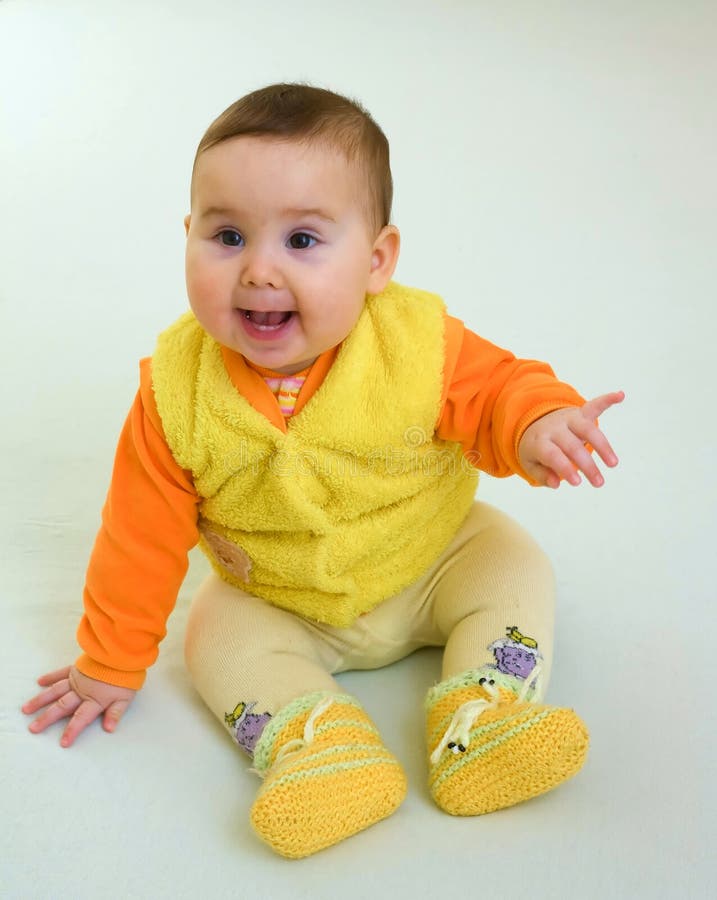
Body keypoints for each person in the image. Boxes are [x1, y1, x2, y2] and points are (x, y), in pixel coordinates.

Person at [22, 83, 624, 859]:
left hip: (433, 555)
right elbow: (138, 534)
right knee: (212, 637)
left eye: (302, 241)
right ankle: (319, 745)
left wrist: (539, 424)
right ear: (187, 237)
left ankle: (484, 711)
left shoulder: (417, 343)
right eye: (228, 236)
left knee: (511, 565)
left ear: (376, 260)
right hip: (278, 594)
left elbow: (497, 390)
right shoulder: (174, 390)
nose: (259, 272)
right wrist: (108, 662)